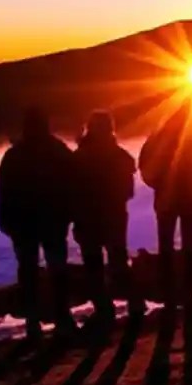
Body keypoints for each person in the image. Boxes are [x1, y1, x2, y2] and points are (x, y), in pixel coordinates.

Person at [0, 108, 78, 342]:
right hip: (54, 221)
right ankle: (63, 317)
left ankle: (33, 322)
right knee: (57, 269)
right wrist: (69, 213)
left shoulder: (14, 156)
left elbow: (5, 191)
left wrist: (5, 220)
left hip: (24, 224)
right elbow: (73, 186)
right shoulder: (59, 151)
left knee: (28, 271)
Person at [73, 111, 144, 325]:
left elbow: (70, 189)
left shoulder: (79, 157)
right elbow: (129, 192)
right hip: (114, 216)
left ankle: (104, 309)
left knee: (93, 265)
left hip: (88, 218)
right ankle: (135, 302)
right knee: (119, 260)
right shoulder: (120, 155)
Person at [139, 104, 192, 304]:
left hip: (166, 197)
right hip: (189, 195)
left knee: (166, 244)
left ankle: (168, 288)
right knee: (189, 243)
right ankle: (189, 288)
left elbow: (145, 167)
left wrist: (157, 184)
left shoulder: (156, 137)